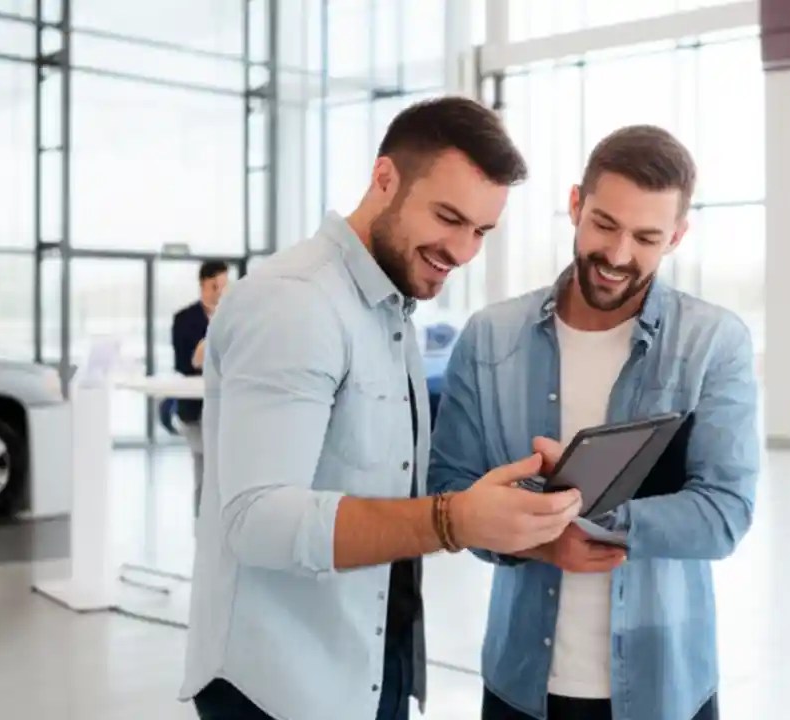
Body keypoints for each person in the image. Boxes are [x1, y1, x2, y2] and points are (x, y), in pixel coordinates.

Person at [180, 96, 585, 720]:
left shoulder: (390, 308)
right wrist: (453, 520)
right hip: (280, 690)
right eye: (448, 217)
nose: (463, 250)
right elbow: (257, 520)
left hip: (368, 666)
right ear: (384, 178)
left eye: (481, 230)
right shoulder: (296, 303)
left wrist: (507, 499)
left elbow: (380, 480)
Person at [429, 125, 760, 720]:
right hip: (521, 681)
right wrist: (541, 544)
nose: (618, 255)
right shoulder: (490, 336)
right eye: (605, 224)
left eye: (647, 237)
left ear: (677, 237)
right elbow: (449, 490)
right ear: (576, 204)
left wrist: (590, 510)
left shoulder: (714, 342)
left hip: (666, 685)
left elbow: (724, 514)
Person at [171, 259, 229, 516]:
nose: (220, 292)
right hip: (195, 410)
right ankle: (203, 526)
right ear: (203, 285)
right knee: (205, 469)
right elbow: (183, 364)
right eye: (215, 286)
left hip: (227, 409)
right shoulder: (184, 319)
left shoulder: (233, 318)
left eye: (224, 285)